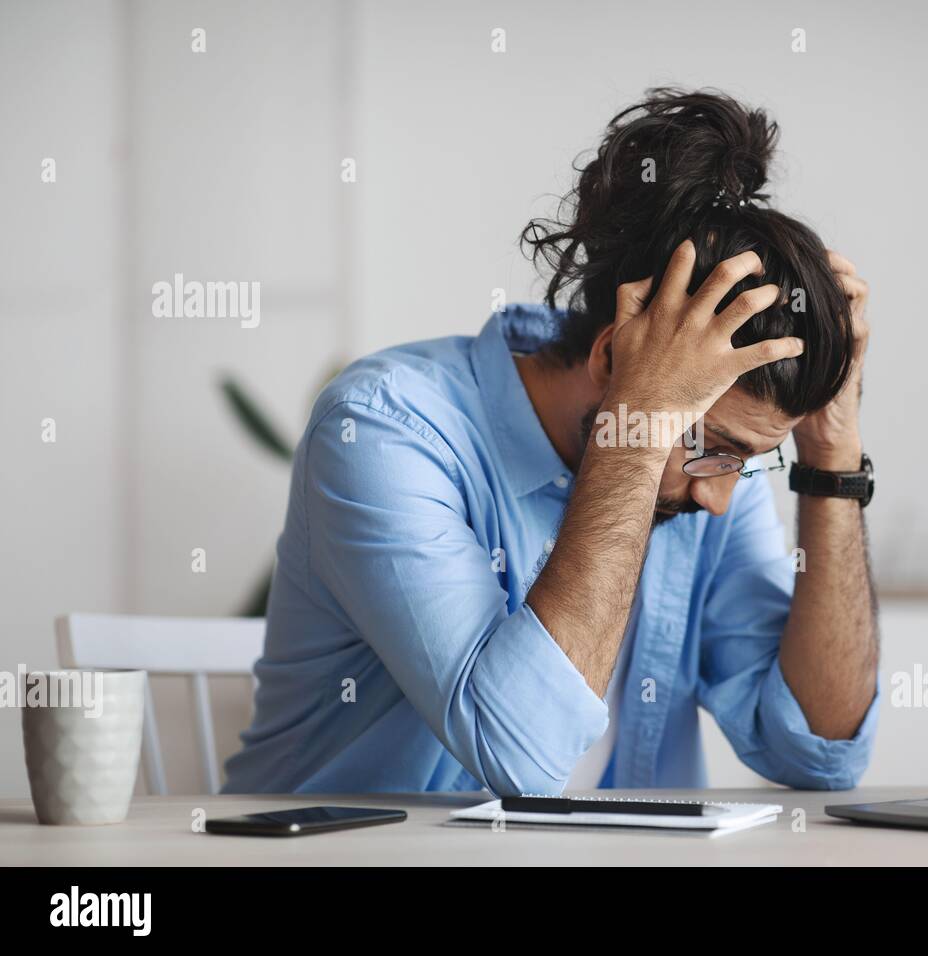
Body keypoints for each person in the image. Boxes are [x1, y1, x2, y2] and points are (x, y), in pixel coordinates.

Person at [223, 87, 880, 796]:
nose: (721, 498)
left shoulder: (704, 469)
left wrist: (831, 455)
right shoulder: (385, 430)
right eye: (713, 446)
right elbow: (521, 757)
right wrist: (640, 426)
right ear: (610, 361)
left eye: (746, 461)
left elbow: (819, 752)